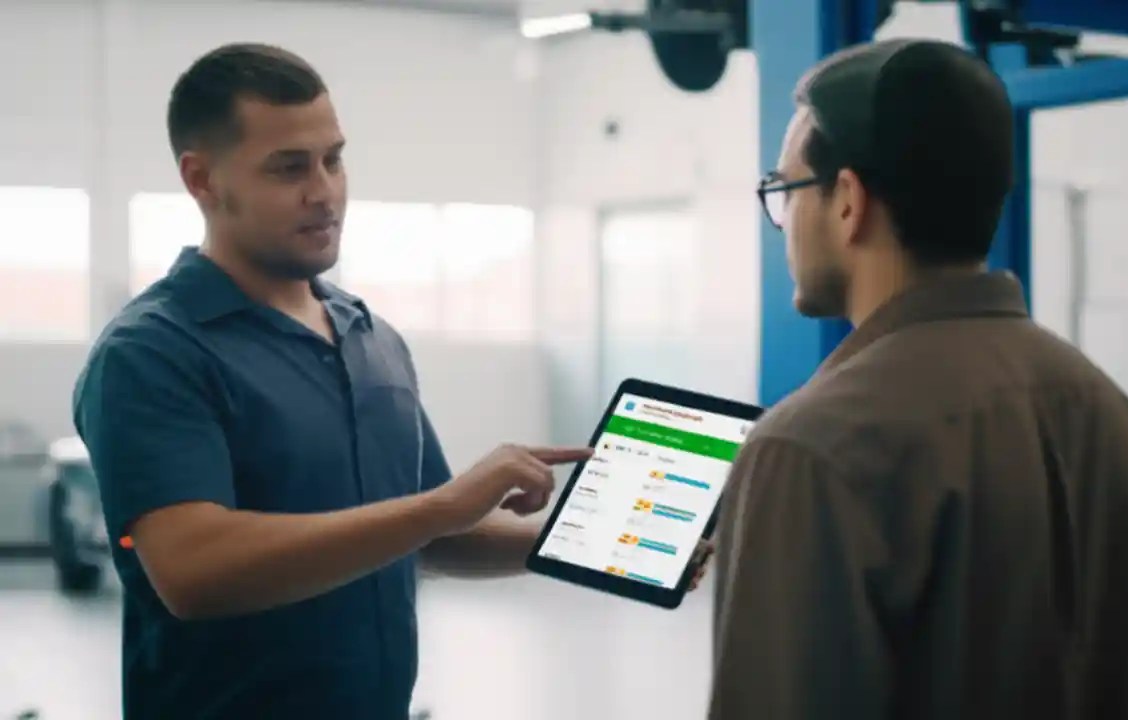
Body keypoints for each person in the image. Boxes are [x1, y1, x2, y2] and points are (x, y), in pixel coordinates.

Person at [73, 43, 707, 720]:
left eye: (334, 158)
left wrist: (596, 549)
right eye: (289, 168)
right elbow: (193, 572)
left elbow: (430, 536)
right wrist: (441, 506)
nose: (324, 191)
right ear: (201, 180)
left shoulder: (370, 337)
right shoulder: (153, 352)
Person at [709, 38, 1128, 719]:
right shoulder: (1117, 420)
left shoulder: (810, 449)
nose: (781, 226)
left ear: (847, 200)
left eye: (784, 193)